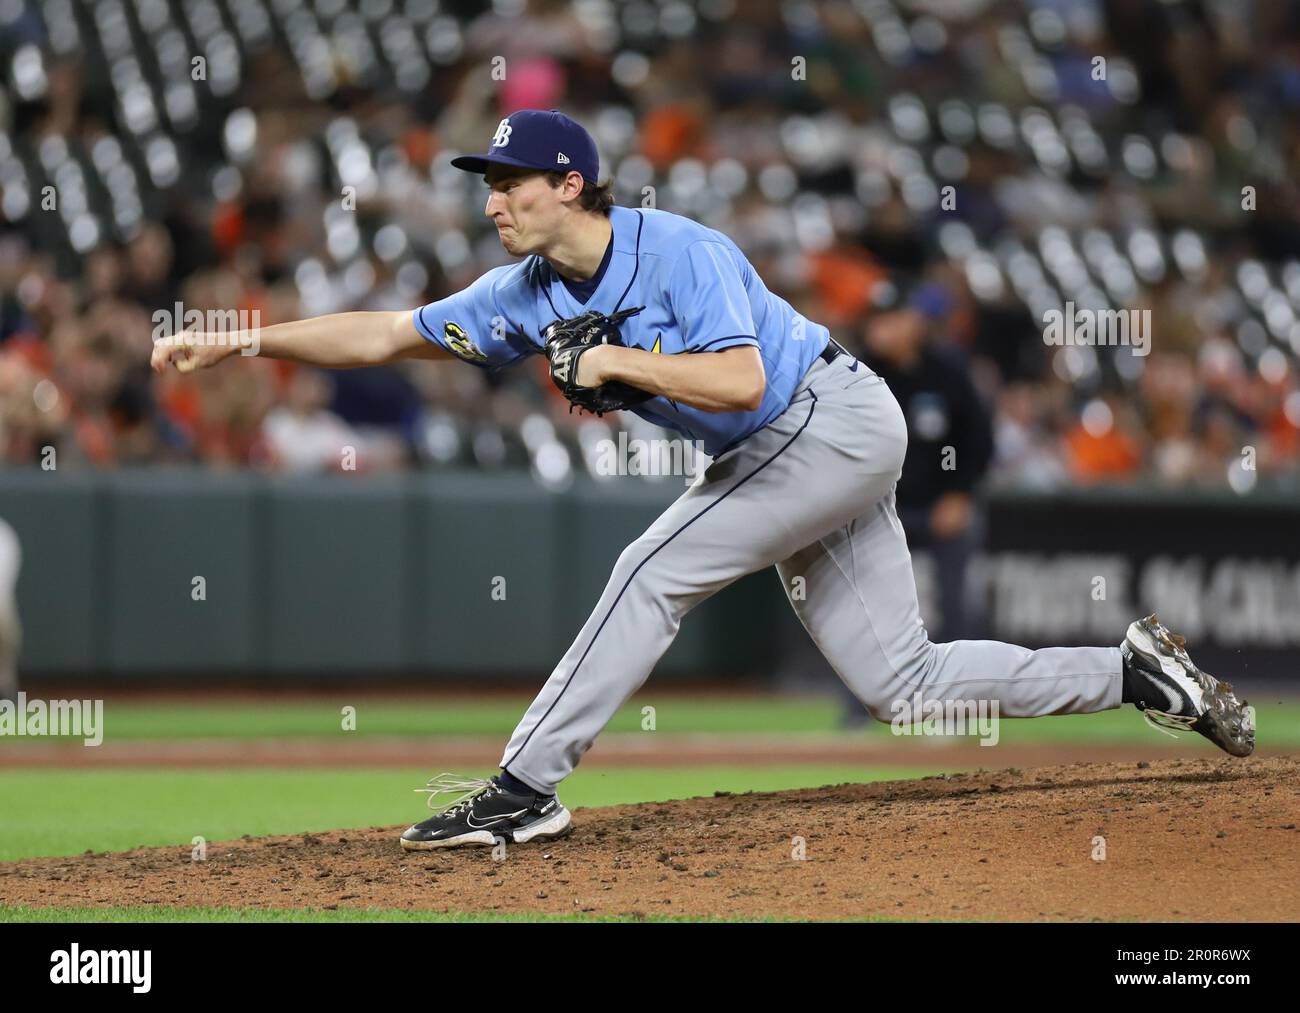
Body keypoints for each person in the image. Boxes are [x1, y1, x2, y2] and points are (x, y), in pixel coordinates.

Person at [152, 110, 1255, 850]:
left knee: (649, 566)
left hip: (820, 413)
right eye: (487, 184)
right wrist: (245, 338)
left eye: (508, 182)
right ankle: (1133, 675)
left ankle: (522, 789)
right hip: (788, 449)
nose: (492, 199)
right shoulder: (522, 291)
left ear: (568, 182)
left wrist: (620, 360)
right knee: (905, 685)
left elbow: (735, 378)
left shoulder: (673, 247)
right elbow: (388, 334)